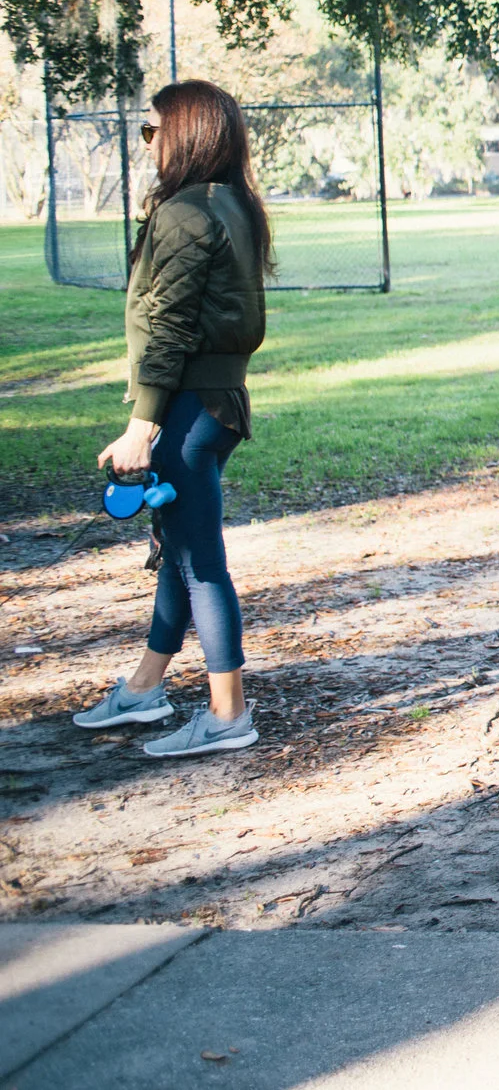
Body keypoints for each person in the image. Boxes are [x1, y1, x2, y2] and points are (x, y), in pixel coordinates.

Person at [74, 81, 272, 758]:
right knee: (180, 551)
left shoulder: (188, 212)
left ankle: (227, 713)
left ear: (186, 134)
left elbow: (168, 328)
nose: (147, 142)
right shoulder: (232, 204)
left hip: (189, 408)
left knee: (200, 560)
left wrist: (142, 423)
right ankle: (145, 685)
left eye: (153, 130)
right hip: (218, 406)